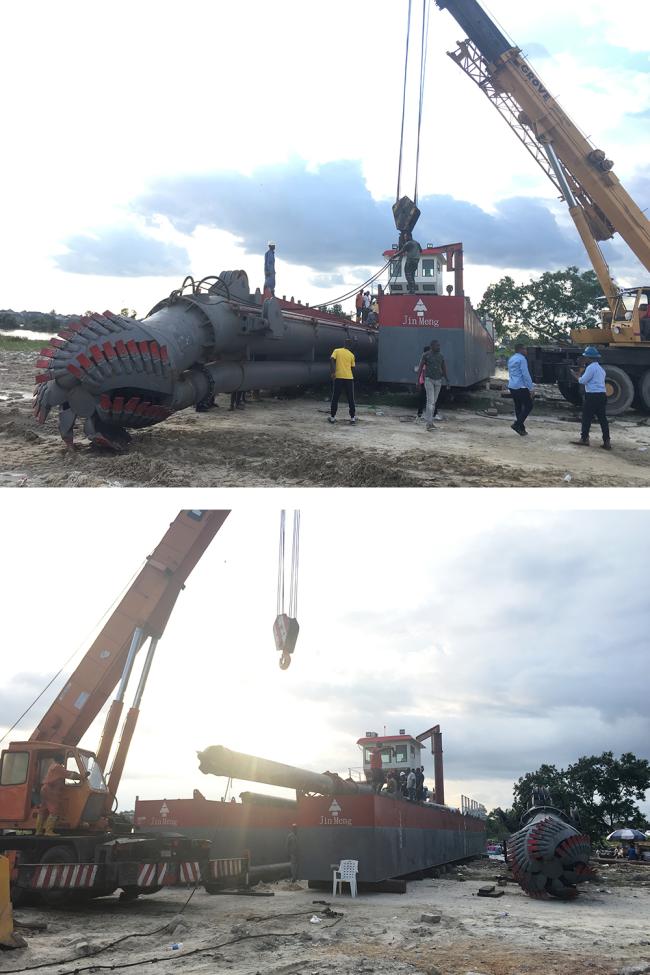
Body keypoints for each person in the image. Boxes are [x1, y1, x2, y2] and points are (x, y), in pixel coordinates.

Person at [35, 754, 87, 835]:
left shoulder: (53, 766)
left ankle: (38, 831)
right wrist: (82, 776)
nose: (64, 761)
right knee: (55, 809)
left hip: (45, 789)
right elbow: (71, 775)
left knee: (43, 810)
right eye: (63, 759)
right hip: (50, 790)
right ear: (61, 759)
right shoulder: (58, 767)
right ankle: (48, 831)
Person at [571, 346, 611, 450]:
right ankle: (607, 441)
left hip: (592, 395)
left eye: (585, 357)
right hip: (602, 395)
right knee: (603, 419)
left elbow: (582, 381)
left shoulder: (590, 368)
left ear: (589, 358)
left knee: (586, 418)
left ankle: (584, 439)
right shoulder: (601, 369)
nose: (584, 359)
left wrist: (576, 376)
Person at [416, 340, 448, 431]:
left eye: (439, 345)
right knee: (430, 402)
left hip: (438, 381)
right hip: (428, 380)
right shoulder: (426, 355)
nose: (439, 347)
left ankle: (430, 422)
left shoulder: (441, 356)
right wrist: (418, 381)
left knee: (433, 402)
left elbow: (444, 368)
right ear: (432, 346)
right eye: (437, 346)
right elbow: (420, 368)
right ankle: (429, 423)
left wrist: (447, 379)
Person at [507, 343, 534, 436]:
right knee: (529, 405)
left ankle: (521, 429)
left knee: (518, 406)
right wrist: (531, 388)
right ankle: (517, 424)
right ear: (521, 349)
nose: (526, 351)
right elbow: (525, 374)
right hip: (521, 386)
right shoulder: (522, 359)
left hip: (512, 385)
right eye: (525, 349)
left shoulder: (511, 359)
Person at [329, 340, 356, 424]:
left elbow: (331, 359)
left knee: (335, 397)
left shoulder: (337, 350)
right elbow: (353, 367)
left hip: (339, 377)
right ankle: (352, 418)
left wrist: (333, 372)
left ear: (344, 344)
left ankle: (332, 418)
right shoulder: (351, 355)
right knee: (351, 398)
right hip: (349, 378)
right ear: (350, 346)